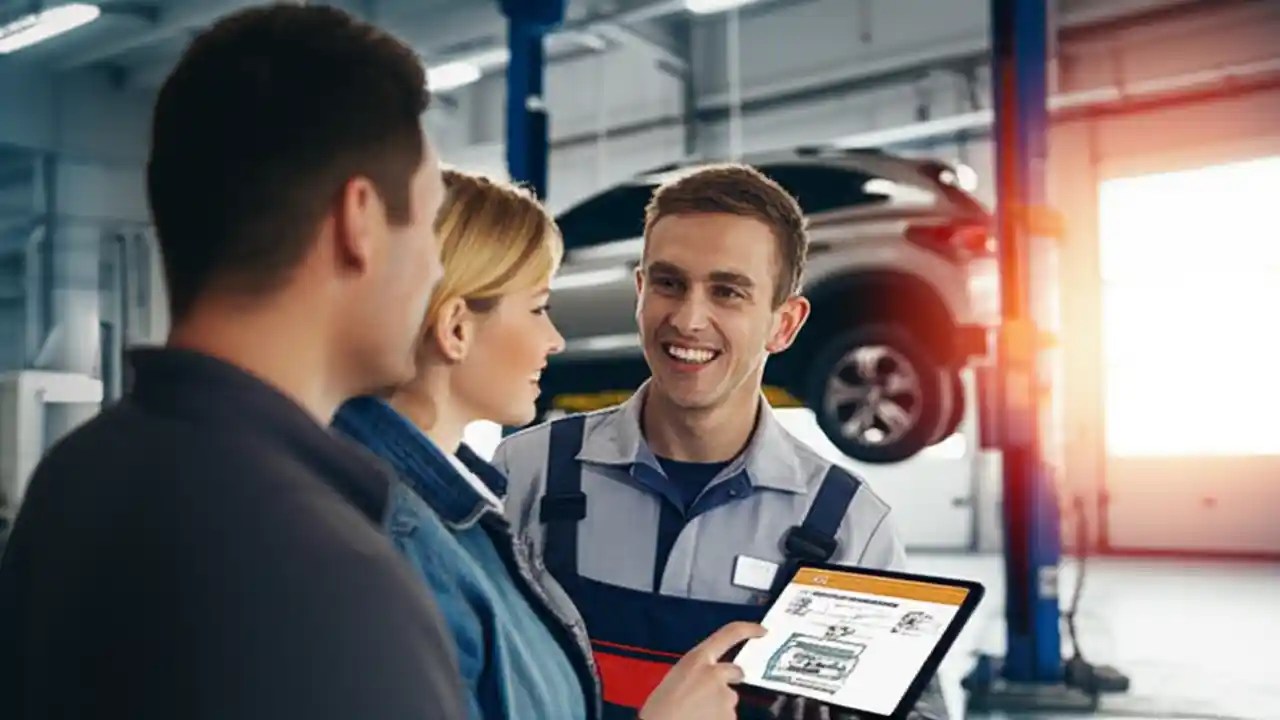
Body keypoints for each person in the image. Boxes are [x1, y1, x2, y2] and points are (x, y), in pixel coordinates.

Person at [0, 6, 466, 719]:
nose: (436, 266)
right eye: (429, 223)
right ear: (359, 221)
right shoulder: (332, 582)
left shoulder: (73, 480)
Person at [493, 164, 949, 720]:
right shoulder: (530, 474)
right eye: (669, 283)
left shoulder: (848, 528)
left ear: (785, 324)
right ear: (640, 291)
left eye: (727, 292)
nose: (688, 319)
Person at [333, 168, 766, 720]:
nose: (554, 340)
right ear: (457, 329)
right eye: (538, 308)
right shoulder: (400, 542)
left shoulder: (458, 512)